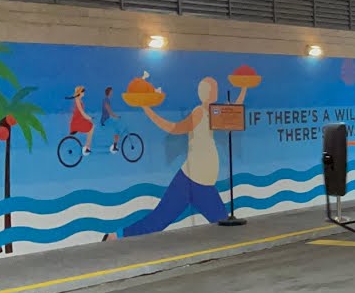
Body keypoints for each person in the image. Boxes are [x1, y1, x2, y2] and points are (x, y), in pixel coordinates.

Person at [105, 77, 248, 240]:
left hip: (203, 184)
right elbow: (174, 128)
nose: (215, 92)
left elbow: (234, 113)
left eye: (215, 89)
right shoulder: (199, 112)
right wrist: (147, 109)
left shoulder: (212, 112)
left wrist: (244, 88)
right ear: (203, 93)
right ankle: (116, 236)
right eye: (212, 89)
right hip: (190, 182)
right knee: (158, 221)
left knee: (222, 224)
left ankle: (118, 235)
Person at [67, 86, 95, 155]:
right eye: (83, 91)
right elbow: (82, 112)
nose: (84, 92)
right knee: (91, 126)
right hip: (76, 122)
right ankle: (87, 148)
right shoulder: (77, 100)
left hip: (79, 120)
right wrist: (89, 117)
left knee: (91, 125)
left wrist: (88, 118)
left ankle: (87, 147)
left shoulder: (79, 99)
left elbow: (81, 113)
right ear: (80, 92)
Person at [100, 86, 127, 154]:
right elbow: (109, 111)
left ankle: (115, 144)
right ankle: (114, 146)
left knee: (116, 128)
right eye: (111, 91)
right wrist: (116, 116)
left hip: (107, 119)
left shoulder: (107, 99)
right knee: (116, 129)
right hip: (105, 120)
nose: (112, 92)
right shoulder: (106, 100)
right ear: (109, 92)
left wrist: (115, 116)